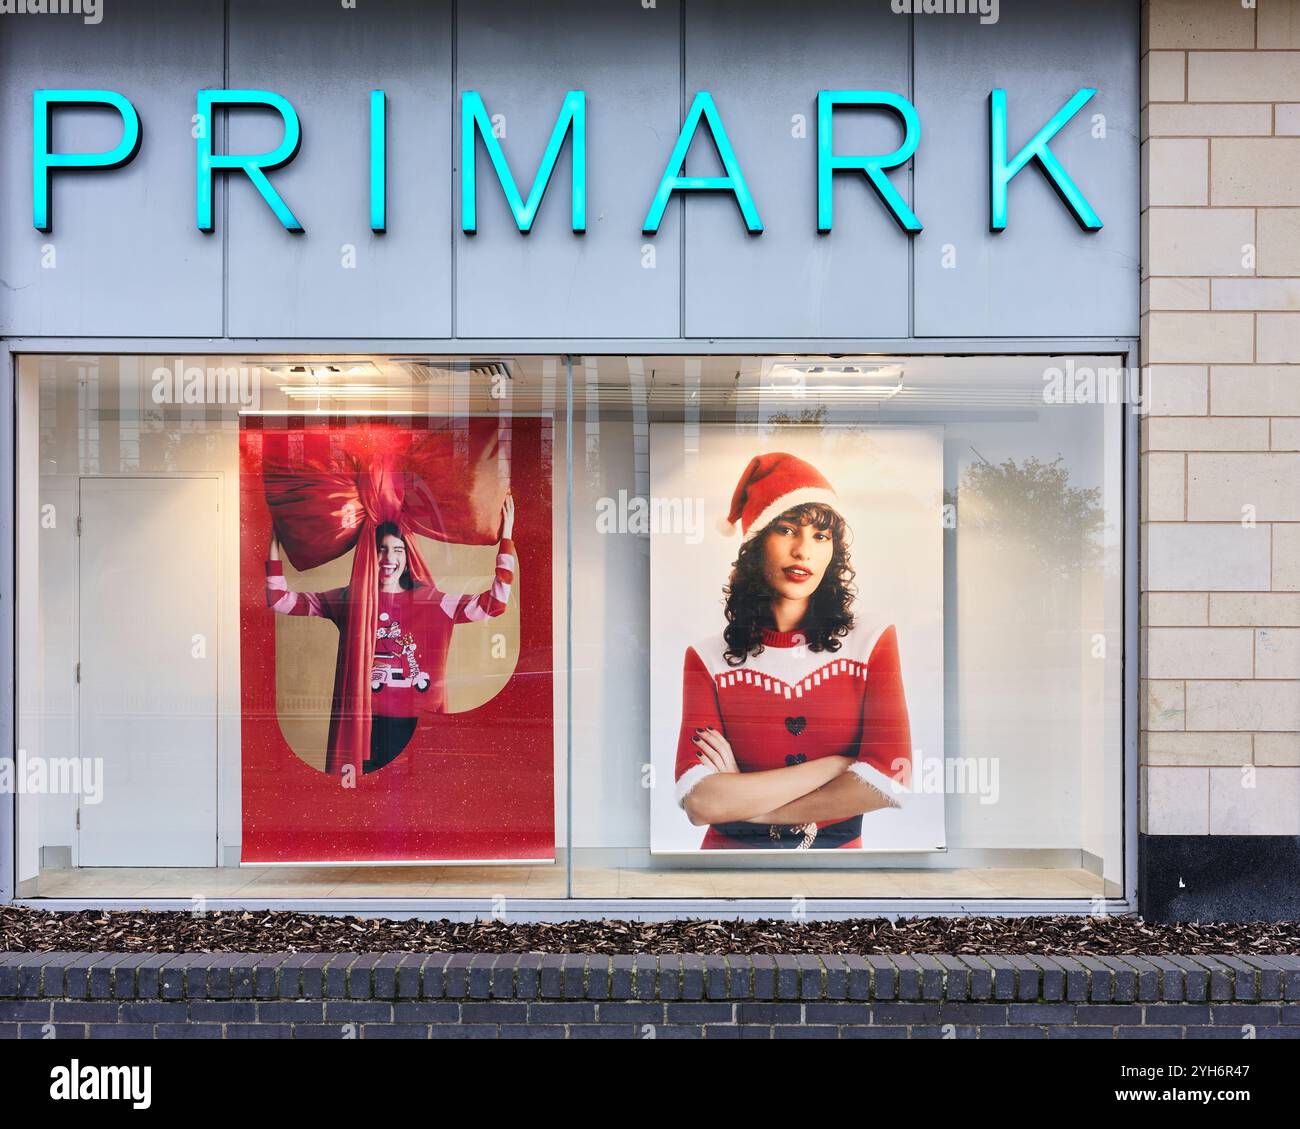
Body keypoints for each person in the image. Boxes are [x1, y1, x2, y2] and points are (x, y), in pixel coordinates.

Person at [673, 453, 911, 849]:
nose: (804, 551)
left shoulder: (872, 640)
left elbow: (887, 782)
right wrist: (836, 766)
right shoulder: (706, 657)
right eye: (786, 529)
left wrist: (749, 805)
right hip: (728, 869)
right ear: (755, 544)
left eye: (821, 536)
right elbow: (701, 803)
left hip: (837, 871)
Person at [266, 495, 517, 773]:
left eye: (398, 550)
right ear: (369, 556)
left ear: (408, 558)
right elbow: (280, 600)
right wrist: (276, 544)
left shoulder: (433, 601)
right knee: (366, 799)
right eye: (382, 550)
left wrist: (506, 539)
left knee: (416, 799)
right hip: (368, 724)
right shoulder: (351, 600)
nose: (389, 558)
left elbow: (495, 604)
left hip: (417, 721)